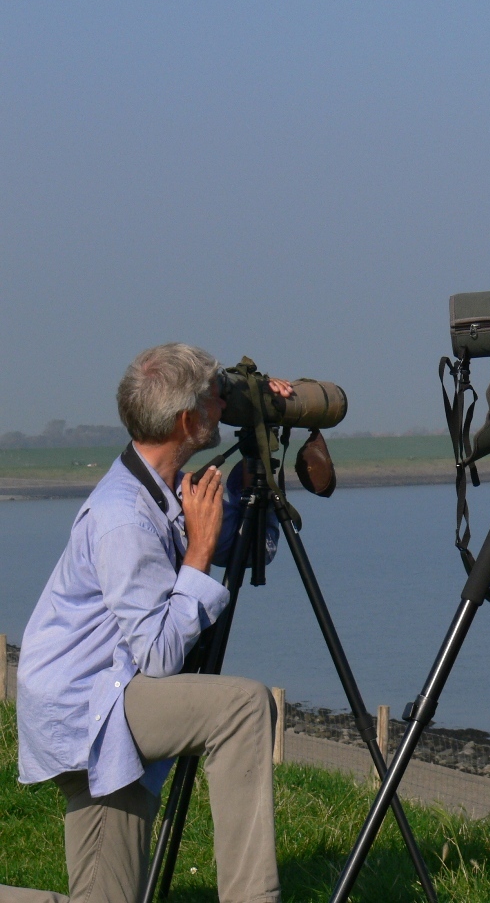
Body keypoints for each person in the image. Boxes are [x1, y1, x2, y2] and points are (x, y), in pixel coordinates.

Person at [2, 344, 289, 903]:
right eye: (216, 397)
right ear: (186, 420)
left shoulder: (158, 487)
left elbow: (245, 548)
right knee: (243, 706)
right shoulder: (125, 516)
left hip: (104, 692)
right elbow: (159, 655)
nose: (223, 404)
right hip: (89, 706)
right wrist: (198, 555)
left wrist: (256, 465)